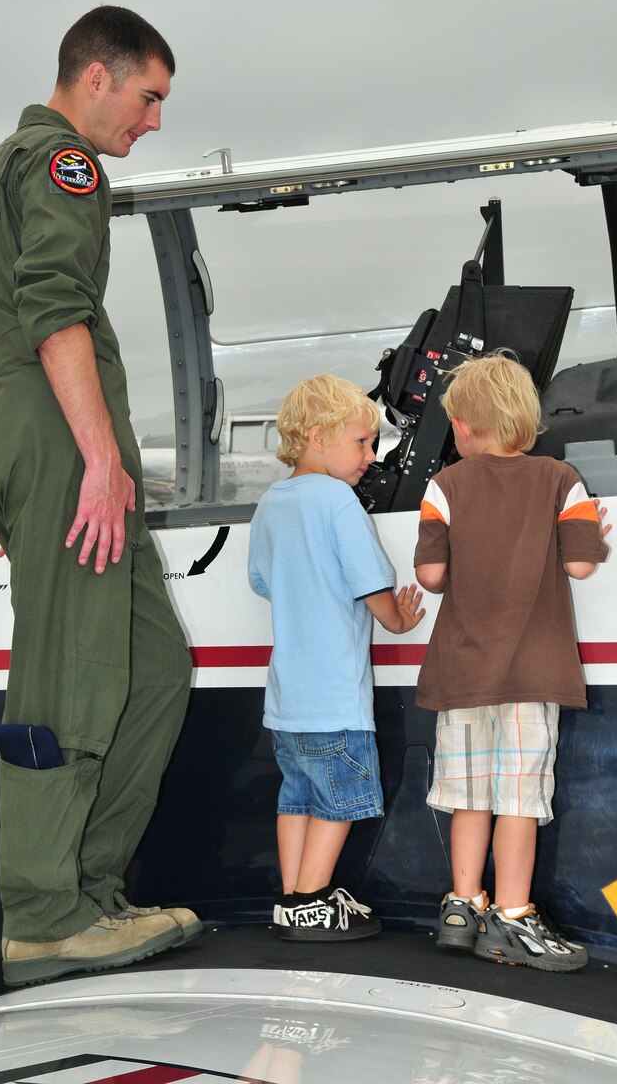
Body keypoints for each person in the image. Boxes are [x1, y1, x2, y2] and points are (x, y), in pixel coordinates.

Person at [0, 6, 197, 987]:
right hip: (66, 446)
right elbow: (54, 309)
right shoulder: (60, 162)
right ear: (95, 77)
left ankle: (89, 890)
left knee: (155, 669)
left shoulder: (24, 166)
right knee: (72, 681)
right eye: (148, 97)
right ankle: (42, 913)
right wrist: (101, 461)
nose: (151, 122)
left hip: (61, 445)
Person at [414, 352, 609, 972]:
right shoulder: (562, 479)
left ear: (463, 428)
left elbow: (431, 576)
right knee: (520, 800)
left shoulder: (443, 486)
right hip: (531, 673)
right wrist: (589, 535)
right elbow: (580, 564)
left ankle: (461, 907)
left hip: (463, 673)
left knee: (468, 796)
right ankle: (514, 916)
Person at [248, 374, 425, 941]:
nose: (371, 459)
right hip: (333, 699)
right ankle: (316, 901)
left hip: (287, 699)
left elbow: (260, 579)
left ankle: (291, 898)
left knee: (296, 795)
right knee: (337, 802)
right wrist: (398, 619)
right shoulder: (337, 500)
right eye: (363, 443)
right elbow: (369, 580)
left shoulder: (272, 503)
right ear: (319, 437)